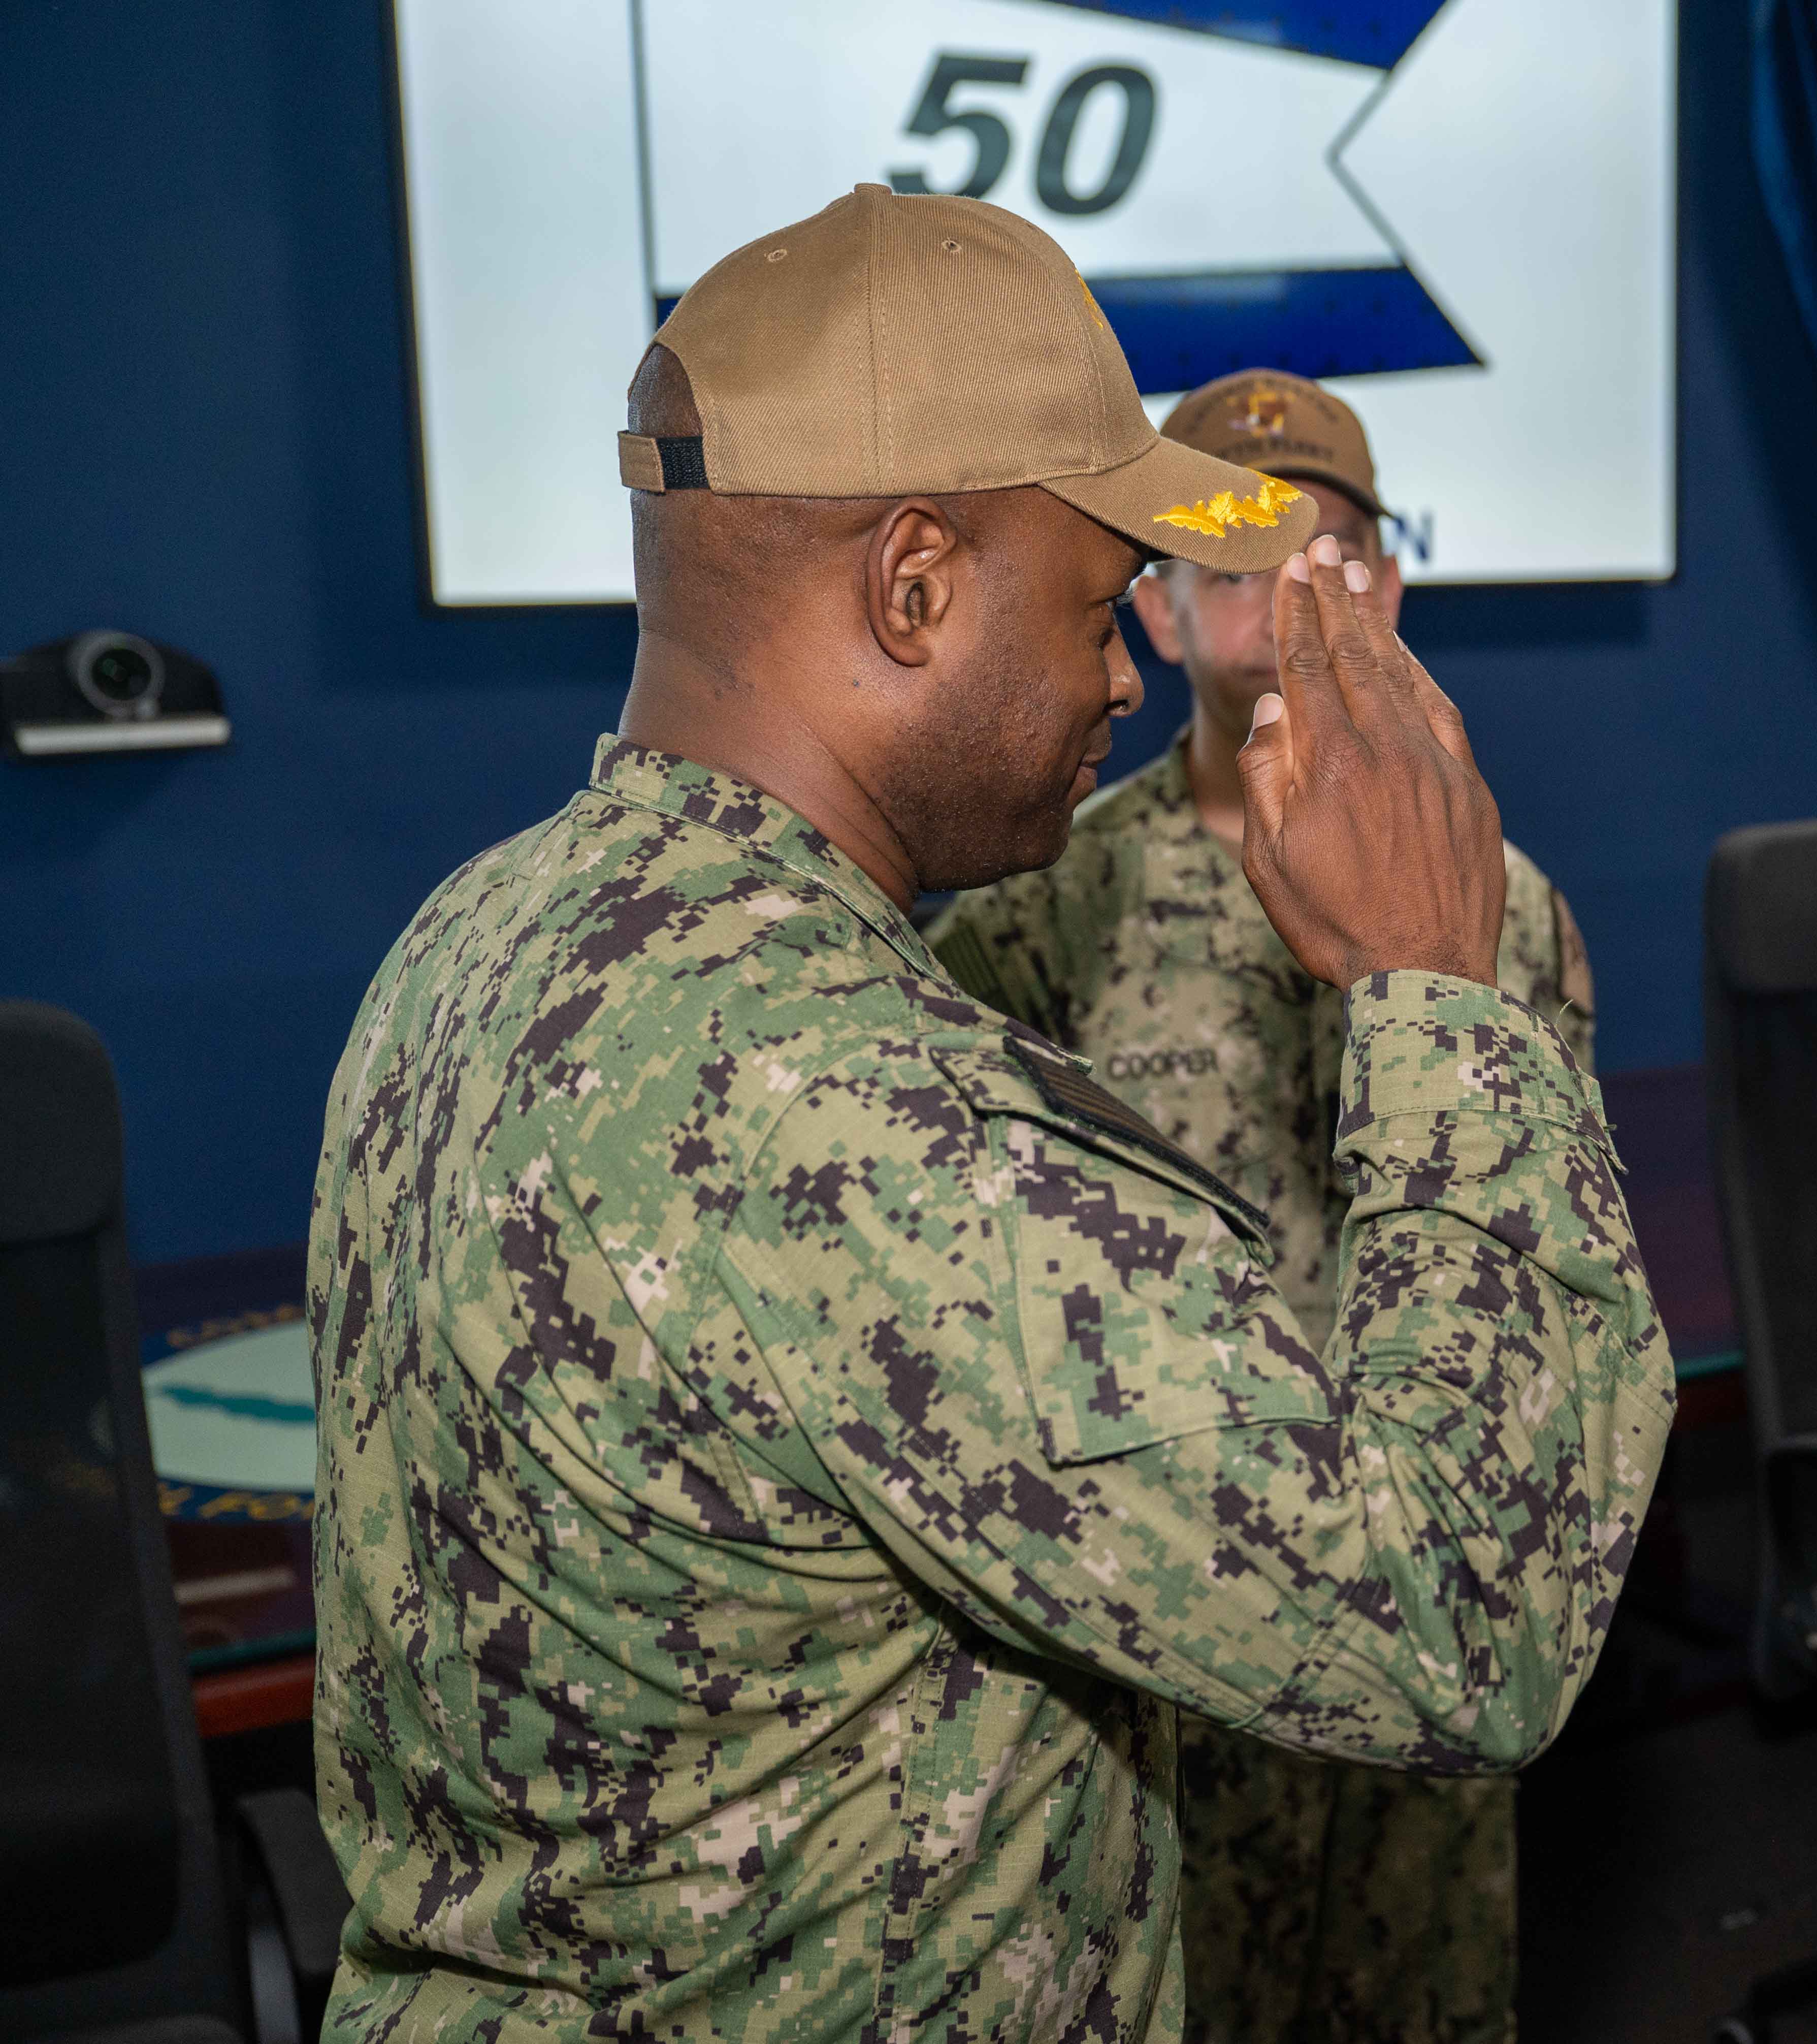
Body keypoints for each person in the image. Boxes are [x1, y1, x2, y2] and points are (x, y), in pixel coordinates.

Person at [307, 184, 1672, 2044]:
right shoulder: (873, 1120)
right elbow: (1464, 1622)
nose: (1123, 669)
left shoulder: (468, 944)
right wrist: (1439, 998)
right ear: (916, 583)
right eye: (1103, 602)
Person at [925, 369, 1586, 2044]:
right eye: (1226, 547)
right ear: (1148, 599)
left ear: (1393, 588)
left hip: (1430, 1624)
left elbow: (1554, 1278)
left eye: (1326, 545)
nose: (1280, 581)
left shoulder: (1491, 908)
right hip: (1171, 1647)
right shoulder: (1049, 897)